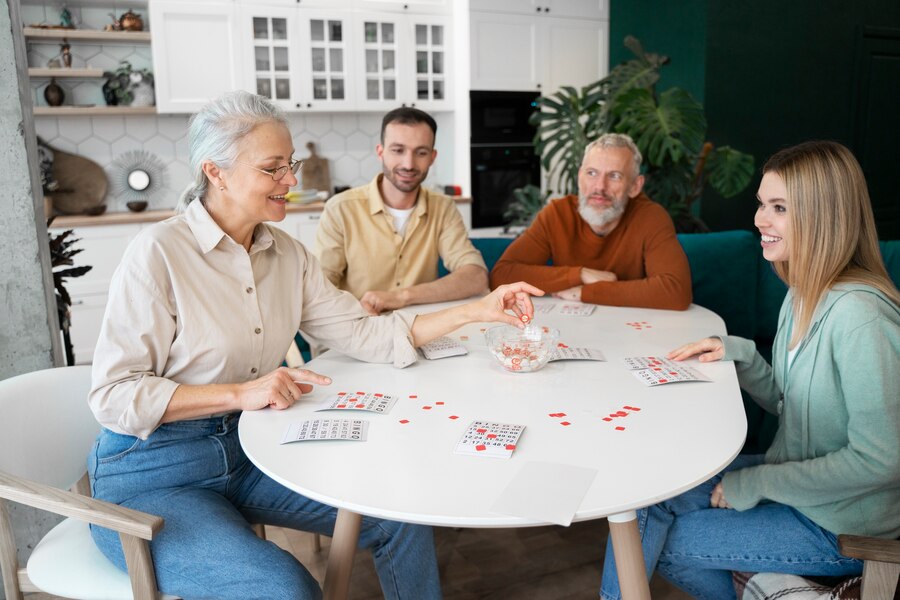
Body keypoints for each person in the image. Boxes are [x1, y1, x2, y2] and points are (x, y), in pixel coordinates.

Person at [88, 90, 542, 600]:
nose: (292, 180)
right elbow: (114, 397)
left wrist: (479, 309)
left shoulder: (287, 254)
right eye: (273, 168)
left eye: (291, 164)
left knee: (400, 518)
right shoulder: (158, 253)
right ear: (216, 172)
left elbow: (368, 334)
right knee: (285, 588)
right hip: (154, 473)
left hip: (251, 451)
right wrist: (241, 393)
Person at [599, 140, 900, 600]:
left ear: (825, 216)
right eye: (762, 204)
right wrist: (736, 353)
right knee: (647, 496)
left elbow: (881, 460)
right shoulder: (802, 292)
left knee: (662, 547)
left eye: (778, 207)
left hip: (840, 526)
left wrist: (757, 482)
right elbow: (787, 400)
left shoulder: (861, 318)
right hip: (800, 485)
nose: (760, 219)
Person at [315, 107, 489, 315]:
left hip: (419, 331)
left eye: (421, 152)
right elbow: (319, 292)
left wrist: (401, 297)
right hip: (356, 331)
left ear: (432, 157)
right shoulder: (340, 209)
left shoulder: (443, 207)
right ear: (380, 152)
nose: (409, 164)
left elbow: (476, 277)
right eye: (398, 150)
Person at [490, 133, 692, 310]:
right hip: (571, 329)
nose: (599, 187)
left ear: (635, 186)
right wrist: (581, 274)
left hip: (631, 329)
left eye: (614, 176)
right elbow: (502, 276)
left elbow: (677, 291)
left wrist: (584, 293)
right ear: (580, 177)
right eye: (592, 173)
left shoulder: (651, 217)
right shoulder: (557, 214)